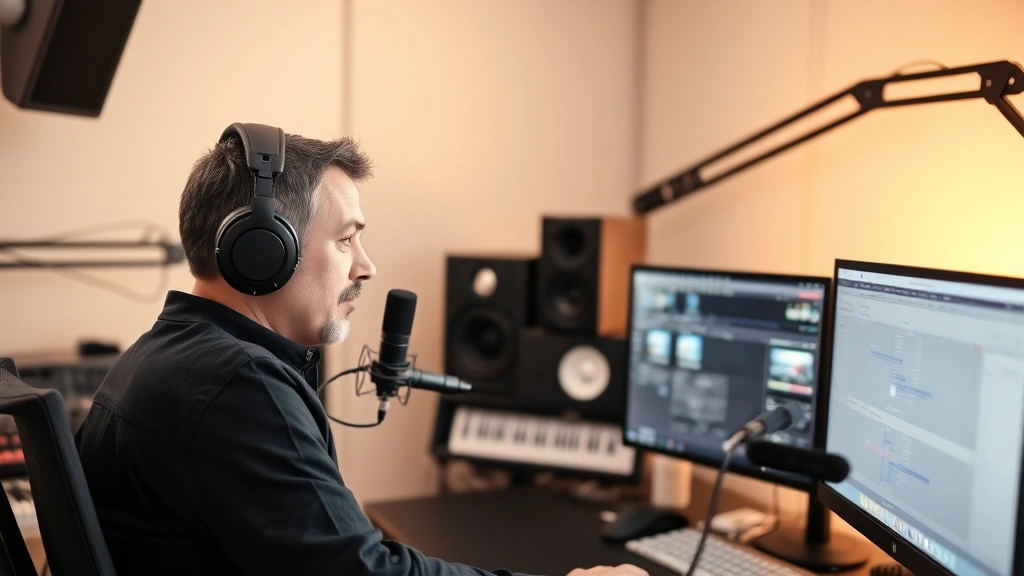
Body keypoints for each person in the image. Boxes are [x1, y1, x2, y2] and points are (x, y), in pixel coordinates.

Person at [75, 125, 649, 576]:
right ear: (264, 250)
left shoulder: (161, 357)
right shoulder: (236, 386)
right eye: (346, 239)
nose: (367, 266)